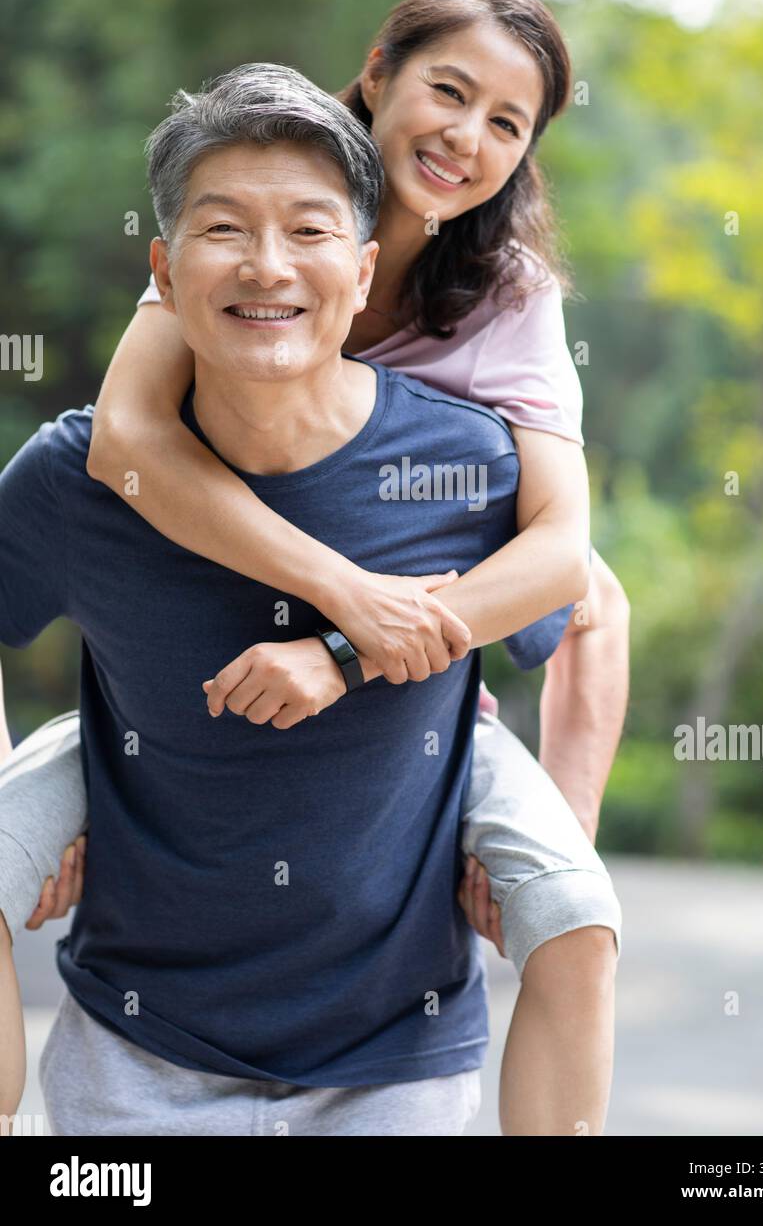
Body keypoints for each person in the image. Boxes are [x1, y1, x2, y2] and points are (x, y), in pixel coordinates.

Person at [0, 61, 621, 1137]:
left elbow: (583, 602)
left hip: (390, 1061)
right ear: (164, 268)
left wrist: (550, 836)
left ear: (365, 264)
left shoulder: (464, 467)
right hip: (136, 1059)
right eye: (225, 229)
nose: (267, 266)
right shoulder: (82, 473)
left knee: (579, 915)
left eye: (309, 231)